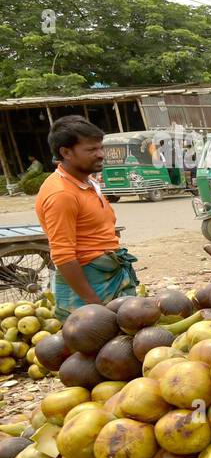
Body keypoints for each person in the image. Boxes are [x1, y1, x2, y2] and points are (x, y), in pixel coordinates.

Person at [35, 116, 139, 317]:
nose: (101, 154)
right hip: (90, 286)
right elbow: (63, 255)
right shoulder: (61, 194)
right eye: (91, 150)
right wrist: (92, 301)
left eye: (100, 148)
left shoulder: (88, 181)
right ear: (66, 152)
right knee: (95, 342)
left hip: (110, 274)